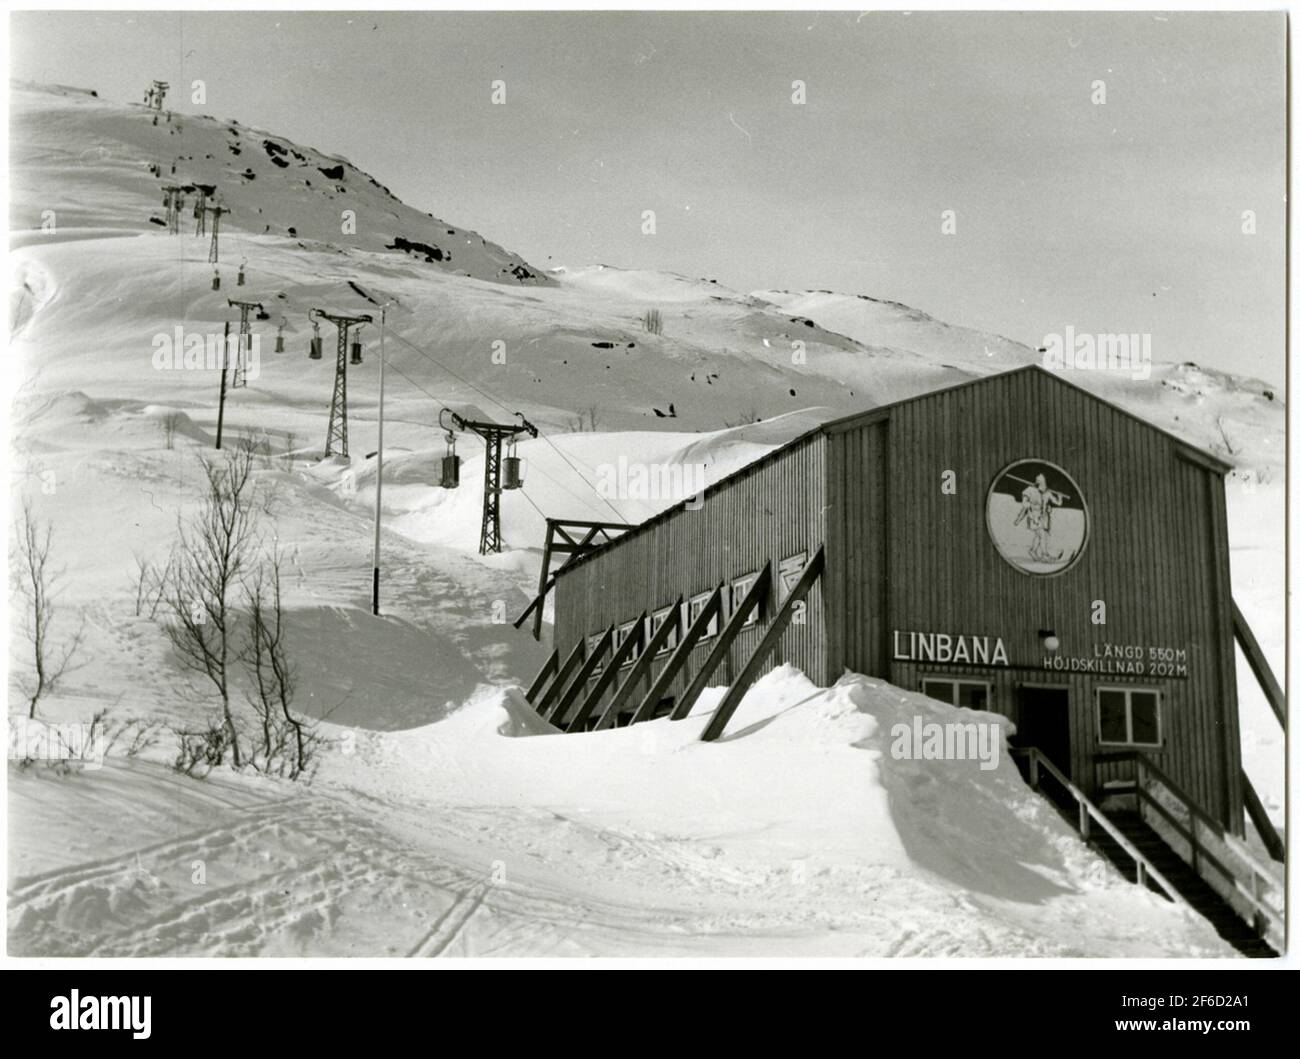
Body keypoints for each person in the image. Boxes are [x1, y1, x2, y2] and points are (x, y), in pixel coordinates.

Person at [1013, 473, 1065, 562]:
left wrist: (1060, 497)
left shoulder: (1048, 492)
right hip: (1034, 517)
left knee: (1039, 536)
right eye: (1040, 480)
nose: (1042, 482)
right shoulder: (1029, 490)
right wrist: (1020, 518)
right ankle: (1045, 555)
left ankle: (1033, 551)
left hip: (1044, 518)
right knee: (1042, 535)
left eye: (1043, 480)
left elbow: (1058, 503)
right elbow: (1025, 504)